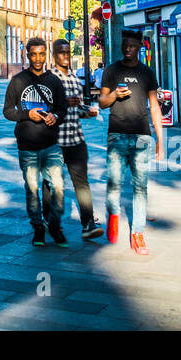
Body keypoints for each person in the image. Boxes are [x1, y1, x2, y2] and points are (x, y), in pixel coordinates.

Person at [100, 32, 166, 254]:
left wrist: (160, 139)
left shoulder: (147, 73)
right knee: (114, 184)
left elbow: (154, 107)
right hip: (116, 136)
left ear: (140, 46)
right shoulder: (111, 71)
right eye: (124, 44)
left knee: (140, 187)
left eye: (132, 45)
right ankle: (114, 214)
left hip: (141, 137)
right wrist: (115, 96)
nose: (127, 48)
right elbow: (101, 102)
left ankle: (137, 233)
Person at [3, 36, 69, 247]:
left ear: (46, 54)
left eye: (41, 54)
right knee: (32, 190)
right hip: (27, 147)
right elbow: (7, 111)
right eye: (33, 54)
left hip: (51, 145)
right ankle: (38, 228)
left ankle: (54, 224)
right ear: (28, 55)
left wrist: (55, 117)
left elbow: (62, 109)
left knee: (58, 186)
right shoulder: (18, 81)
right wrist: (26, 115)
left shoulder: (54, 81)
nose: (38, 58)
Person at [47, 39, 104, 240]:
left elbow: (76, 108)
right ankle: (49, 219)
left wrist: (86, 112)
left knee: (82, 182)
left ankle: (88, 223)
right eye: (61, 53)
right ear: (54, 55)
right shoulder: (48, 78)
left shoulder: (73, 77)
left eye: (68, 52)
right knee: (52, 184)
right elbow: (43, 107)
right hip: (54, 141)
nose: (66, 56)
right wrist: (63, 103)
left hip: (76, 139)